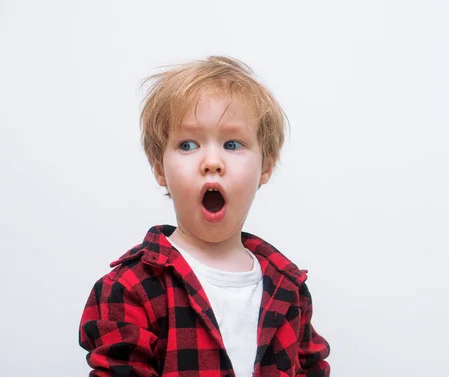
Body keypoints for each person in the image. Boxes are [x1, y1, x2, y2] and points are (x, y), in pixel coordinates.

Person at [78, 56, 330, 377]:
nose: (212, 162)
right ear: (159, 169)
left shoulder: (289, 289)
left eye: (232, 144)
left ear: (265, 167)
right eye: (188, 144)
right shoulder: (129, 289)